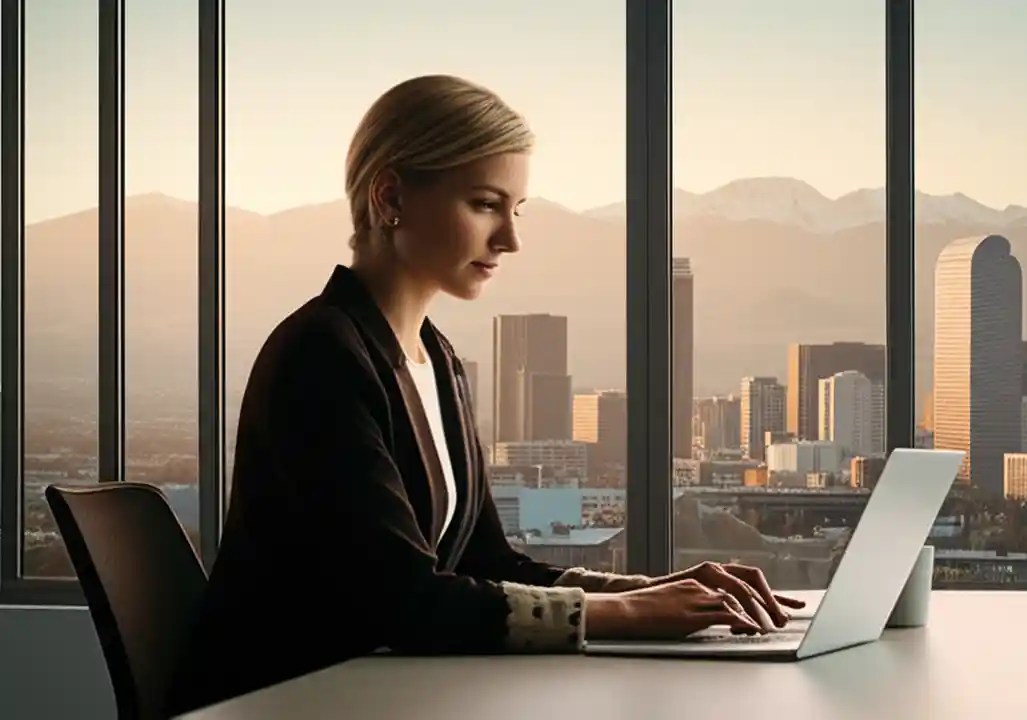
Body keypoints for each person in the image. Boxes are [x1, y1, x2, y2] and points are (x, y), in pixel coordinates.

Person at [165, 75, 803, 716]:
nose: (510, 239)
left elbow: (485, 560)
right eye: (484, 204)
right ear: (390, 196)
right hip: (290, 701)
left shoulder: (436, 359)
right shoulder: (322, 356)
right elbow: (406, 601)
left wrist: (656, 591)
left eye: (516, 210)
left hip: (378, 693)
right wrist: (627, 612)